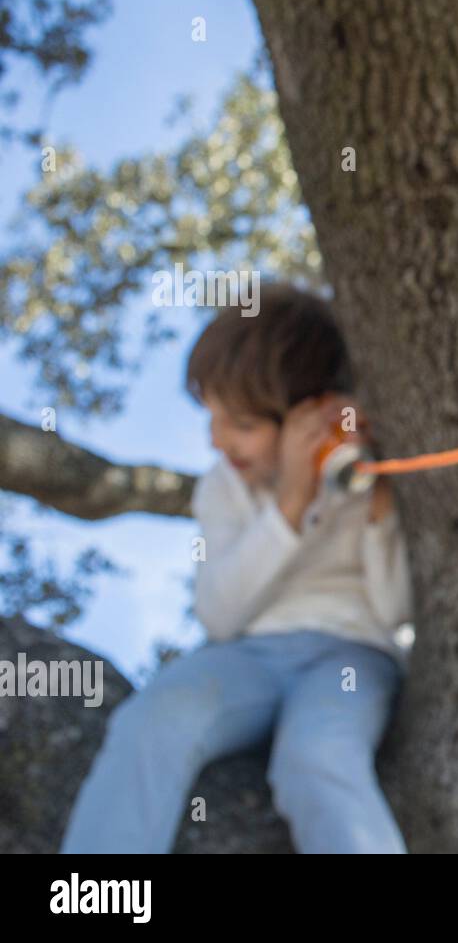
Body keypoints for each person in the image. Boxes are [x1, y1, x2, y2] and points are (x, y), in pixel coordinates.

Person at [60, 282, 414, 853]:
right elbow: (219, 615)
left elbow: (395, 610)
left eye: (242, 425)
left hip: (354, 655)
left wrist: (376, 504)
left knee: (319, 757)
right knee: (152, 722)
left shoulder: (361, 474)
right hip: (247, 655)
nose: (218, 439)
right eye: (213, 417)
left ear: (310, 417)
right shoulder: (220, 489)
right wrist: (290, 505)